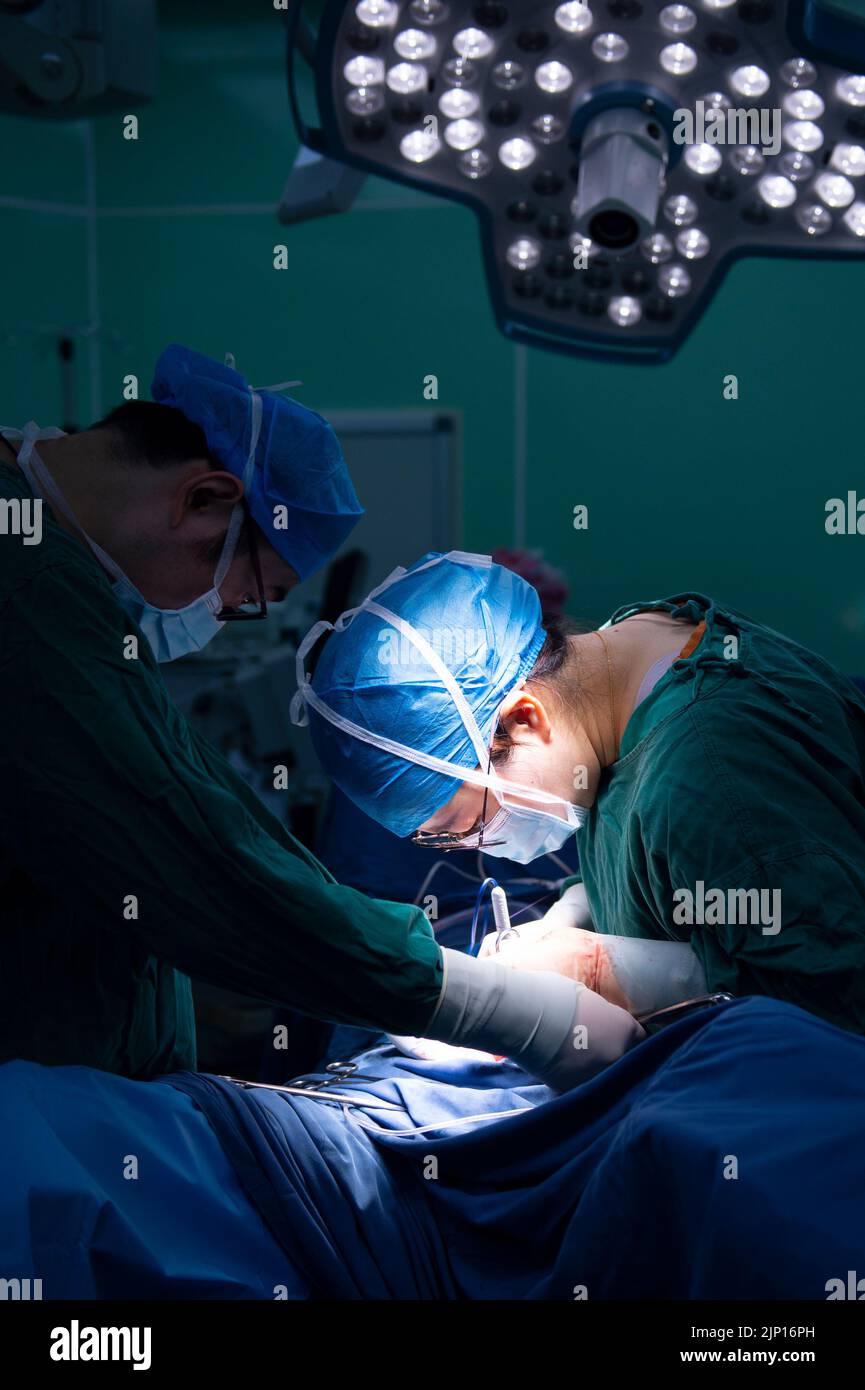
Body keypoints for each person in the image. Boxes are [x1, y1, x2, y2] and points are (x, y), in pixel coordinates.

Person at [0, 353, 637, 1089]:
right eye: (246, 596)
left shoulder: (49, 572)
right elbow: (195, 856)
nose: (224, 620)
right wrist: (492, 1004)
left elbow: (190, 816)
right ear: (203, 498)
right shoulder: (27, 595)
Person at [294, 550, 865, 1034]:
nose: (484, 848)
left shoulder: (715, 769)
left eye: (469, 825)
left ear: (525, 719)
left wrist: (602, 971)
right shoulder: (625, 670)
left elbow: (834, 1004)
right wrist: (577, 909)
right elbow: (667, 857)